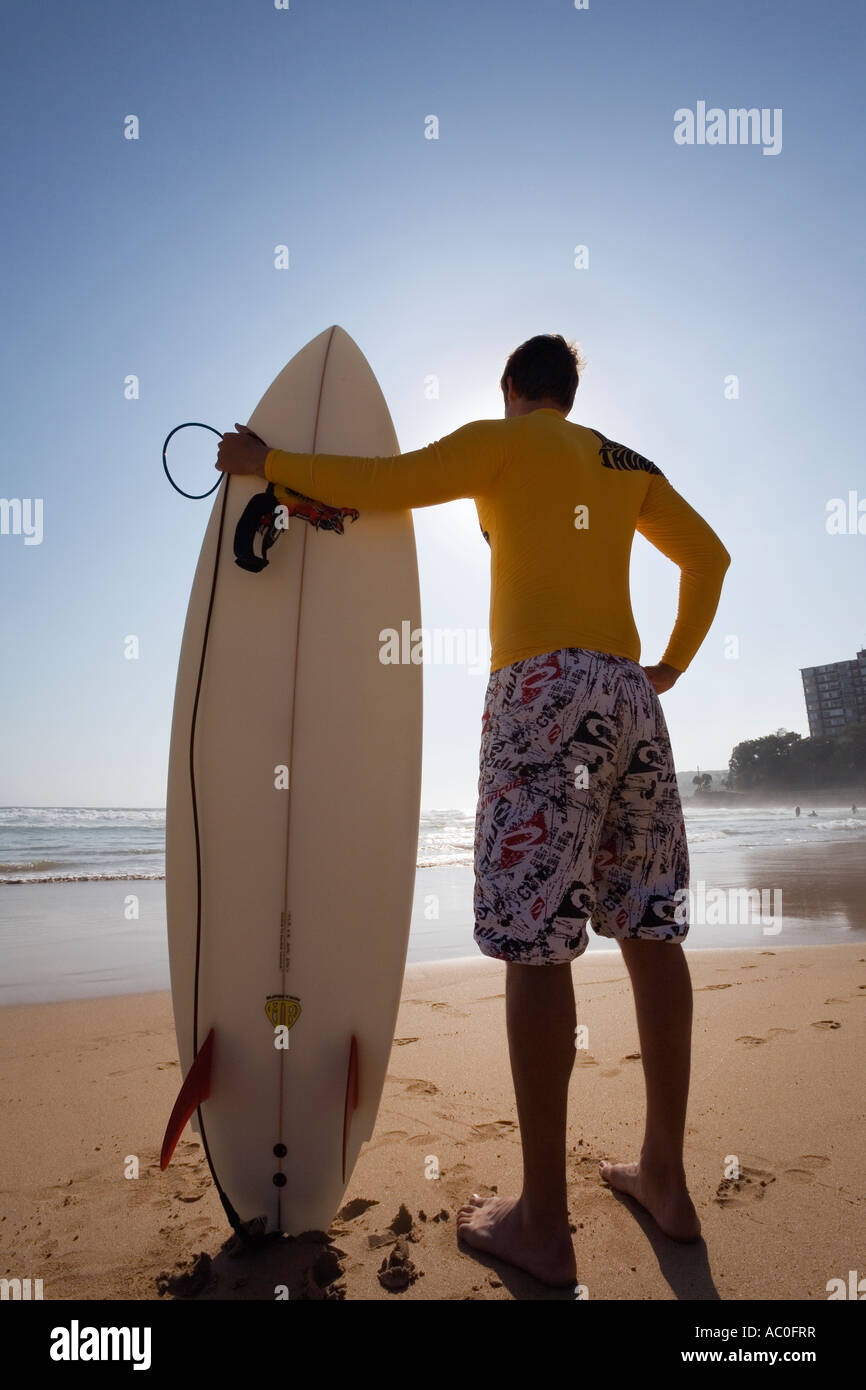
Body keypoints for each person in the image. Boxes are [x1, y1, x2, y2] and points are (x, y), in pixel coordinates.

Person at [216, 333, 731, 1285]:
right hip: (630, 698)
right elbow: (711, 558)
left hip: (542, 695)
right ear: (573, 393)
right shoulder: (627, 461)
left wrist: (266, 464)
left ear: (510, 391)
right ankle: (666, 1175)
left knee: (539, 946)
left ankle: (543, 1222)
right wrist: (669, 665)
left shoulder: (503, 443)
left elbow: (386, 479)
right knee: (652, 932)